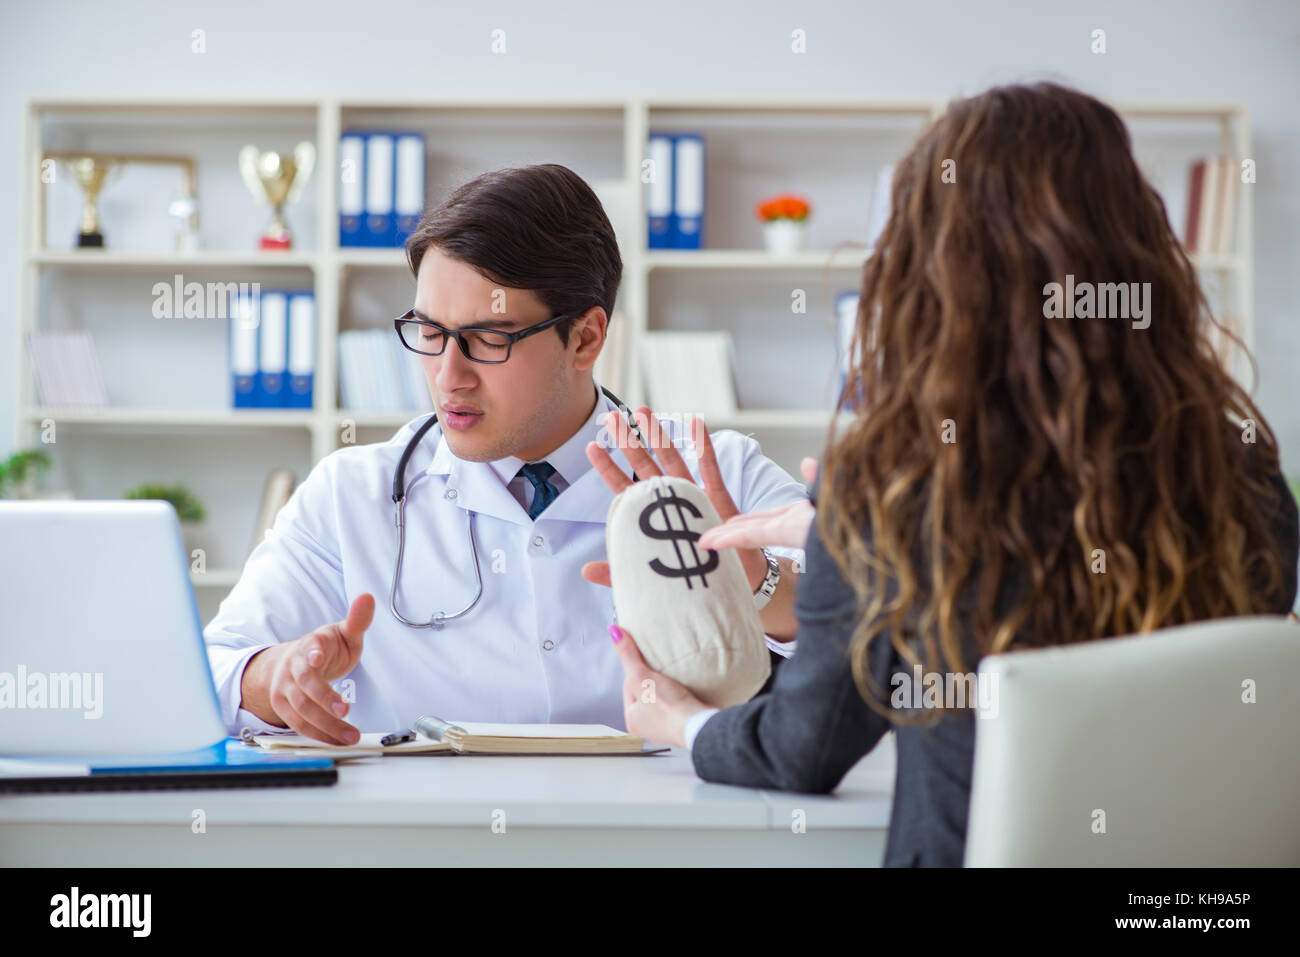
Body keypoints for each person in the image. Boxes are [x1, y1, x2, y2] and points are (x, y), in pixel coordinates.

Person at [598, 82, 1300, 866]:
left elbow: (802, 749)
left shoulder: (901, 484)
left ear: (934, 270)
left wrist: (676, 719)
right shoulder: (1244, 467)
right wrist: (836, 556)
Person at [203, 163, 809, 745]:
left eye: (488, 339)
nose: (448, 377)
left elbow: (863, 635)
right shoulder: (349, 494)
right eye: (431, 333)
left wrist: (753, 583)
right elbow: (215, 666)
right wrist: (273, 678)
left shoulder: (716, 471)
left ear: (585, 337)